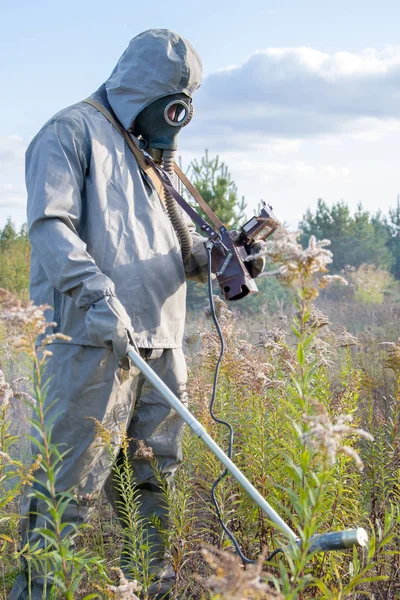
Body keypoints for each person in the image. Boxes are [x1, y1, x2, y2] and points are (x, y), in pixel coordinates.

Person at [10, 29, 264, 600]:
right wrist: (97, 298)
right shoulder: (70, 132)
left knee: (151, 482)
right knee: (65, 491)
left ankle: (148, 588)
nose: (175, 123)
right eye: (170, 108)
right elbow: (51, 228)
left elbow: (166, 247)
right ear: (140, 92)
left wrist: (220, 258)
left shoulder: (155, 157)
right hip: (89, 342)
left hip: (161, 343)